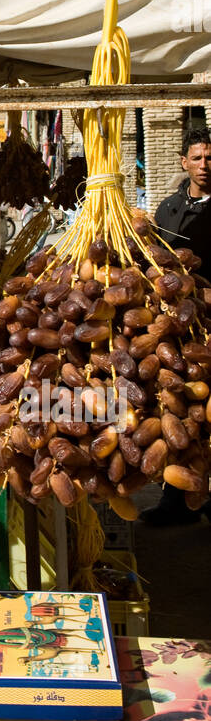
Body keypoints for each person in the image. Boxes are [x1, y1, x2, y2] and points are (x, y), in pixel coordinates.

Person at [141, 127, 211, 526]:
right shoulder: (168, 209)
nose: (204, 165)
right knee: (178, 409)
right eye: (197, 158)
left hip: (209, 323)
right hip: (178, 329)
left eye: (210, 158)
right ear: (183, 162)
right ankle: (176, 500)